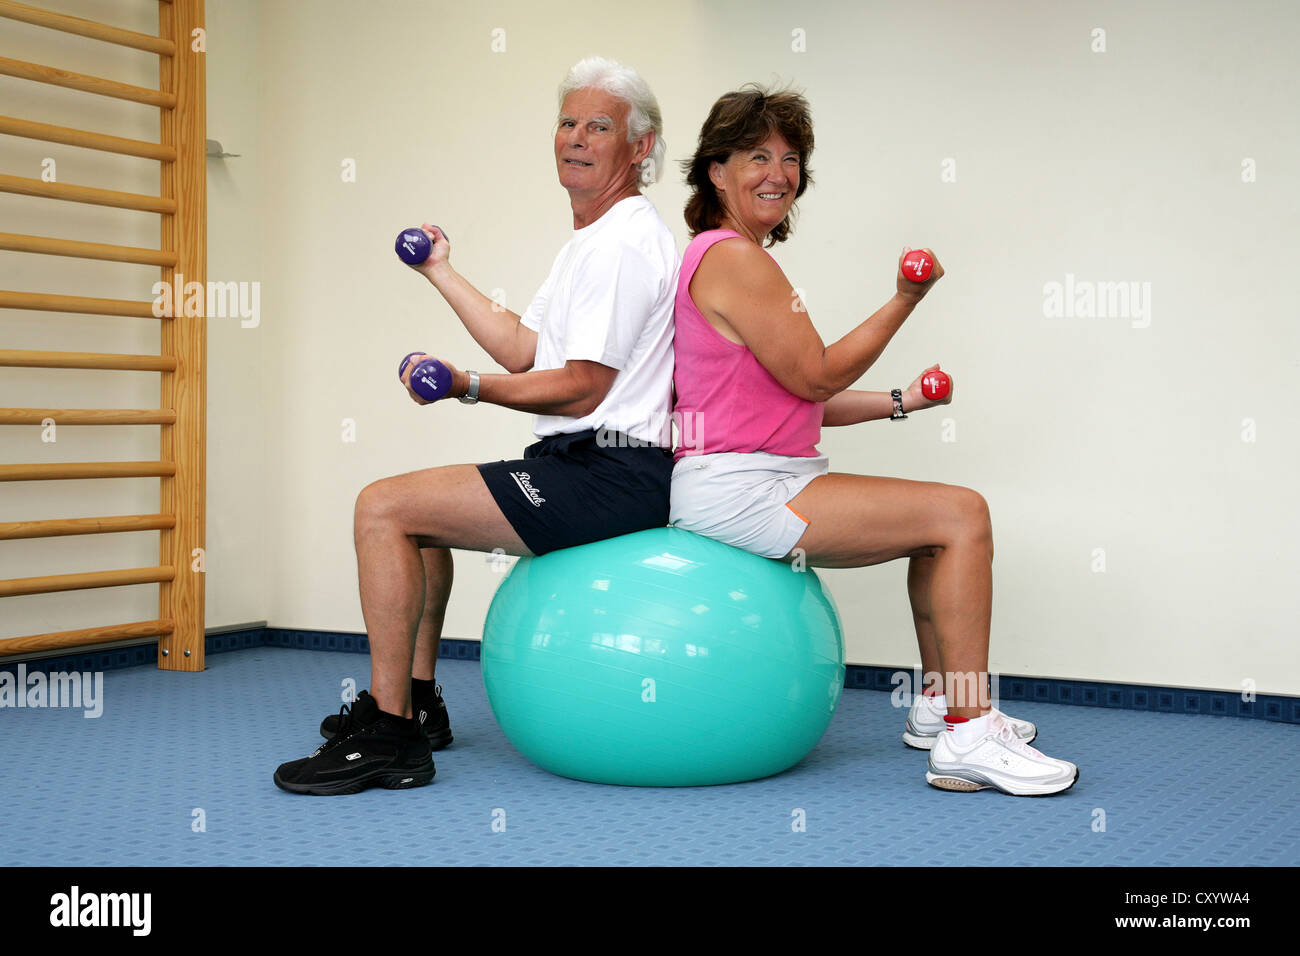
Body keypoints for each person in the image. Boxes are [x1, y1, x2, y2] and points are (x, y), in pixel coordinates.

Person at [274, 56, 679, 795]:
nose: (576, 137)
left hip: (613, 471)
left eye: (599, 126)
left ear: (638, 148)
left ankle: (392, 736)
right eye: (567, 121)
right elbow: (529, 348)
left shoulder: (621, 244)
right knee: (416, 521)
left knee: (382, 507)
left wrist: (464, 386)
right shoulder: (594, 238)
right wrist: (440, 270)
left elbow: (584, 389)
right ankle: (418, 702)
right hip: (592, 462)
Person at [669, 84, 1078, 796]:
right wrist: (907, 299)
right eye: (757, 156)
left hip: (748, 476)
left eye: (791, 158)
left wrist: (902, 401)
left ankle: (938, 706)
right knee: (962, 515)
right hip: (742, 490)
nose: (778, 172)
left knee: (934, 532)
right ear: (716, 170)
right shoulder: (735, 258)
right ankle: (969, 733)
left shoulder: (725, 257)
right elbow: (818, 374)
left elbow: (791, 400)